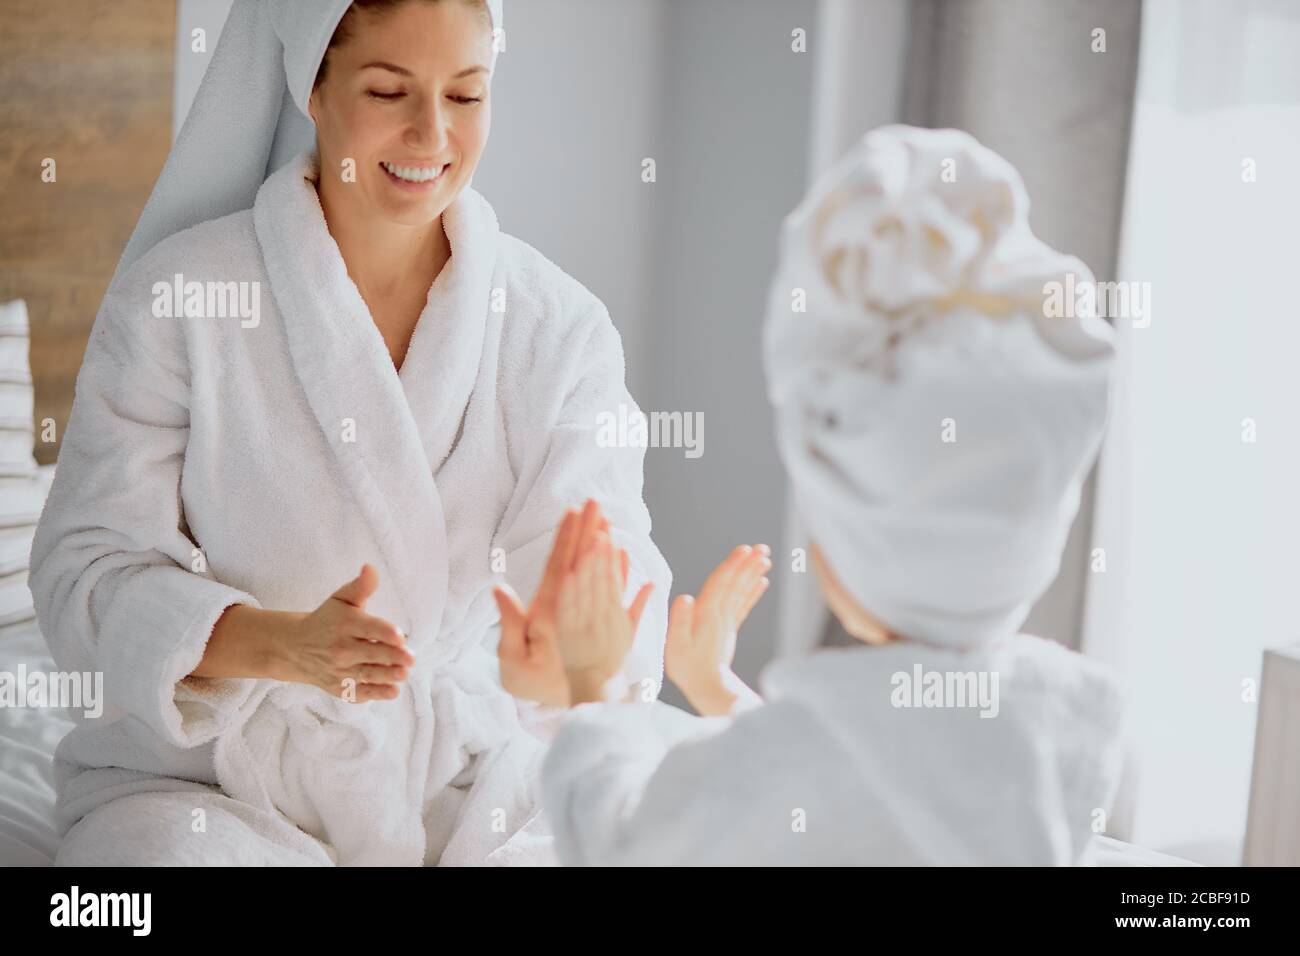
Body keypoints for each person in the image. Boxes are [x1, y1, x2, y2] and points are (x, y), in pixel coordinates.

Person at [30, 0, 669, 867]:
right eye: (388, 90)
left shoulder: (557, 328)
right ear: (314, 87)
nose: (431, 133)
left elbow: (599, 571)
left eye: (467, 96)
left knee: (659, 815)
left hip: (457, 772)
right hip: (213, 779)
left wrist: (561, 660)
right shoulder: (181, 298)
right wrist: (279, 643)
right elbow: (84, 573)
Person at [526, 126, 1126, 866]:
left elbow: (620, 843)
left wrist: (593, 688)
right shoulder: (1060, 718)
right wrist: (717, 691)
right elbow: (872, 794)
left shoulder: (793, 764)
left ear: (845, 547)